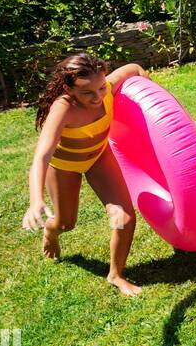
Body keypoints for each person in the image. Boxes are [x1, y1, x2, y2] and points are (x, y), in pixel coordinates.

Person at [22, 53, 148, 296]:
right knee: (66, 223)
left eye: (101, 88)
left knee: (125, 217)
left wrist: (149, 84)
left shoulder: (106, 87)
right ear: (69, 88)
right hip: (64, 167)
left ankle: (116, 274)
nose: (98, 97)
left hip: (98, 158)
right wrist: (36, 201)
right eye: (87, 93)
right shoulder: (63, 108)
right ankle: (52, 230)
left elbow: (134, 67)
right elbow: (42, 156)